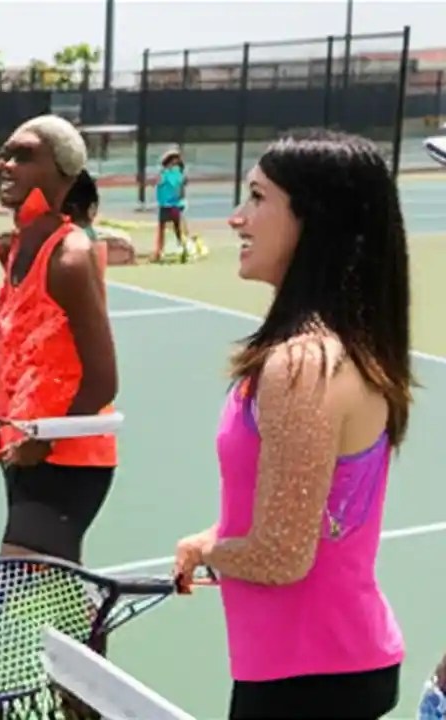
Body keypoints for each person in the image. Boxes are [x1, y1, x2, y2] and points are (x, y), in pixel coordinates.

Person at [172, 129, 411, 720]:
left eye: (257, 197)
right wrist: (210, 540)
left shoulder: (302, 364)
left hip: (309, 678)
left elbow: (281, 555)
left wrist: (210, 553)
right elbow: (304, 514)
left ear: (314, 220)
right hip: (320, 667)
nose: (235, 218)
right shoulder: (330, 350)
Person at [0, 114, 119, 567]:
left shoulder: (69, 257)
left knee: (13, 589)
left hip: (70, 460)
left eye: (23, 156)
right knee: (55, 593)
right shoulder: (12, 248)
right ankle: (87, 635)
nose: (5, 164)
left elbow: (103, 382)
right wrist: (13, 432)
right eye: (3, 154)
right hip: (22, 450)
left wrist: (44, 440)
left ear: (64, 171)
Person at [153, 149, 188, 262]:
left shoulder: (176, 174)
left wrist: (181, 199)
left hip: (174, 205)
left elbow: (181, 190)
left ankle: (182, 248)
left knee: (177, 228)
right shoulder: (166, 174)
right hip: (167, 205)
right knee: (165, 228)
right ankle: (161, 250)